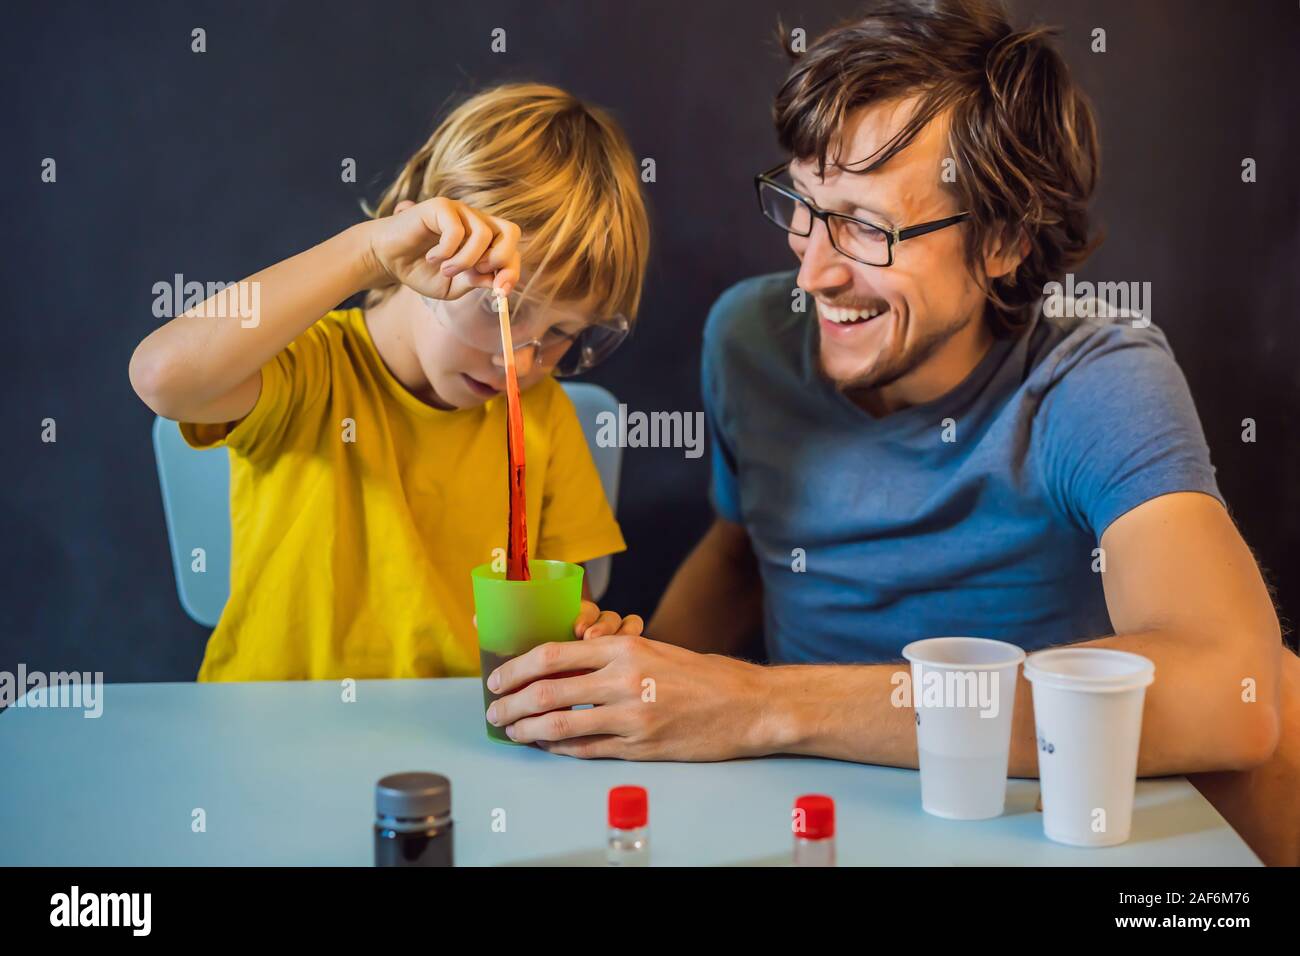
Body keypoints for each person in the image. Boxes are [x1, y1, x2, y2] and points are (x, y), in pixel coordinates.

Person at [484, 0, 1282, 783]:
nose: (813, 274)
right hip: (811, 806)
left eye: (868, 228)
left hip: (1019, 811)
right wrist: (633, 688)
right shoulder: (748, 340)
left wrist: (760, 705)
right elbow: (744, 554)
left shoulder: (1095, 380)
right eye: (803, 207)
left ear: (1003, 237)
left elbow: (1232, 688)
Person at [130, 83, 646, 681]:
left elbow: (558, 605)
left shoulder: (543, 413)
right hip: (270, 735)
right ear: (423, 241)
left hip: (457, 740)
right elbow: (162, 376)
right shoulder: (310, 370)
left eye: (562, 333)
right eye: (502, 310)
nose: (521, 364)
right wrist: (369, 251)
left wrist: (579, 635)